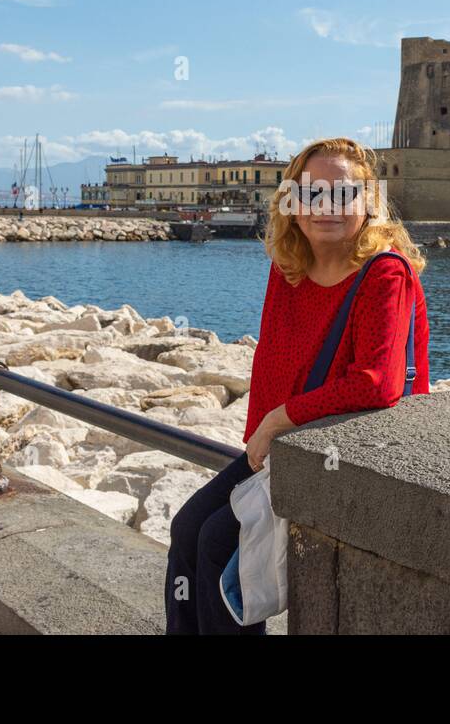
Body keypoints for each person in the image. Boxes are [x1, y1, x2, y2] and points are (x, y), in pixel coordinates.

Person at [164, 137, 430, 634]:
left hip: (346, 451)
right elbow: (272, 364)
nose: (326, 207)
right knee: (185, 532)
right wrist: (260, 446)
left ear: (369, 202)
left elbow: (376, 383)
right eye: (311, 194)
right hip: (287, 445)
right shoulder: (289, 267)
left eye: (344, 194)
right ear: (291, 202)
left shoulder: (383, 273)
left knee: (220, 542)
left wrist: (277, 421)